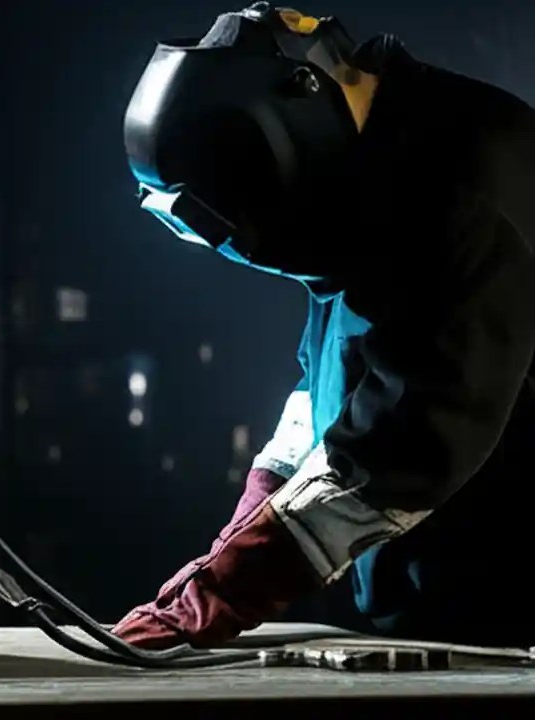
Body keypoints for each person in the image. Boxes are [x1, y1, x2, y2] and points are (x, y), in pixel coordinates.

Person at [113, 3, 535, 648]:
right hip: (444, 622)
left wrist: (222, 590)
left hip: (513, 627)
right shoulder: (372, 168)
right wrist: (245, 527)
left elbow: (408, 440)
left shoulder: (467, 178)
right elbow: (330, 386)